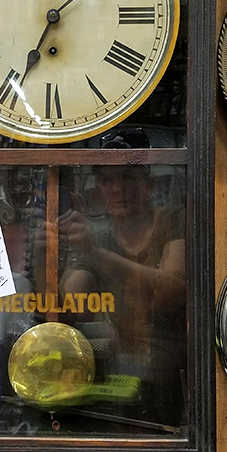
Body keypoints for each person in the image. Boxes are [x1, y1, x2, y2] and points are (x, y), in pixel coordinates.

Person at [58, 163, 186, 395]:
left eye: (128, 177)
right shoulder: (101, 239)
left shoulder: (173, 220)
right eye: (106, 180)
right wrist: (44, 257)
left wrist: (96, 253)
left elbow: (171, 292)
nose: (118, 189)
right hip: (124, 371)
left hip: (181, 372)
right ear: (98, 188)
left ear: (149, 185)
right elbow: (70, 310)